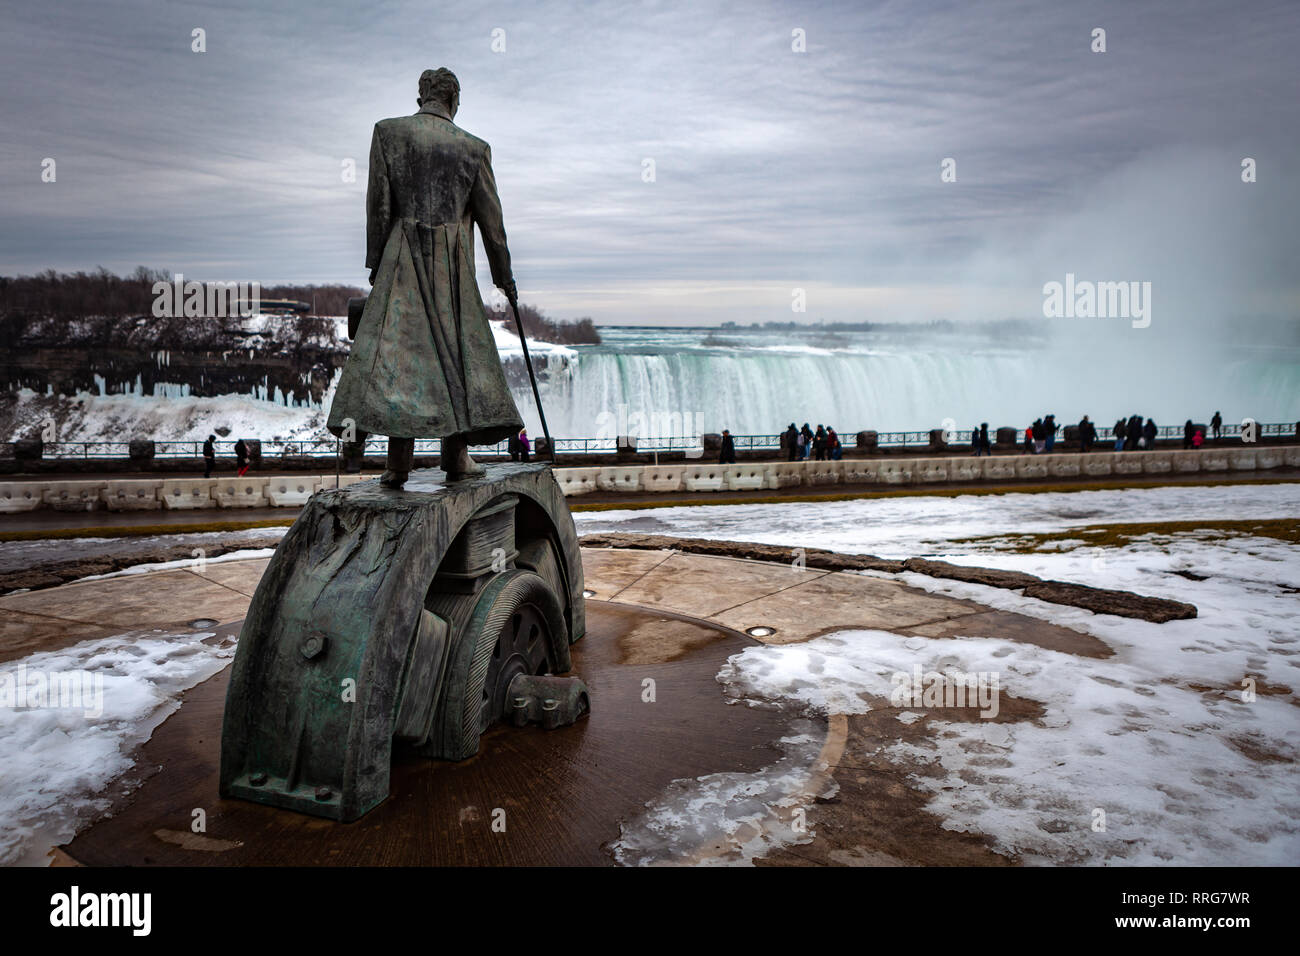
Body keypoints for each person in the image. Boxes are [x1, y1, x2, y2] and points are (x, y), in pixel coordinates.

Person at [326, 68, 523, 489]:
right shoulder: (474, 148)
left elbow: (378, 208)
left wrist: (377, 264)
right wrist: (505, 279)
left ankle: (398, 465)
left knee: (405, 360)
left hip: (402, 258)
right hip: (452, 268)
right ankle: (457, 458)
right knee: (454, 358)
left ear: (421, 97)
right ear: (455, 100)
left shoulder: (388, 133)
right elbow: (493, 226)